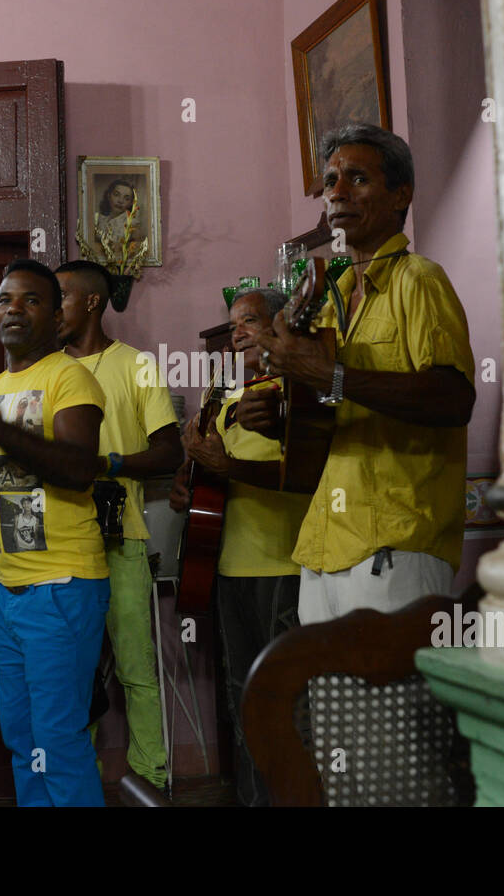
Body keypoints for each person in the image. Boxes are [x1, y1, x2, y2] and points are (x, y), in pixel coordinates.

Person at [240, 122, 476, 804]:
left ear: (401, 194)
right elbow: (333, 412)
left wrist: (334, 375)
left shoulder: (420, 280)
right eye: (331, 178)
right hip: (327, 544)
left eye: (358, 178)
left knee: (397, 755)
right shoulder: (340, 292)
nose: (336, 192)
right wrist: (281, 411)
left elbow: (452, 395)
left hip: (394, 545)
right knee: (341, 758)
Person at [0, 258, 110, 807]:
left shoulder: (70, 376)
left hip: (62, 583)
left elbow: (80, 469)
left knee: (59, 739)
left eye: (31, 299)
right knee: (22, 738)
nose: (13, 308)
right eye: (4, 299)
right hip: (6, 586)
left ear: (57, 314)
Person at [170, 287, 312, 806]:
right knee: (243, 699)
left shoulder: (297, 389)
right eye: (233, 324)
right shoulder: (221, 395)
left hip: (286, 566)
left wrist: (225, 467)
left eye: (250, 321)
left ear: (282, 326)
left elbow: (306, 474)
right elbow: (199, 486)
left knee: (290, 701)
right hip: (225, 567)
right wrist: (187, 484)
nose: (238, 332)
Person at [56, 259, 183, 791]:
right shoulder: (47, 370)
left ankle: (153, 781)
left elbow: (170, 452)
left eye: (58, 296)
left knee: (136, 670)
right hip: (60, 547)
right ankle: (77, 783)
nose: (48, 308)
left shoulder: (138, 366)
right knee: (69, 676)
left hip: (121, 538)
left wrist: (109, 464)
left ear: (90, 301)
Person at [93, 178, 145, 249]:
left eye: (126, 198)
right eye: (116, 195)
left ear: (130, 203)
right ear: (108, 196)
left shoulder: (133, 225)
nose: (120, 201)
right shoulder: (98, 220)